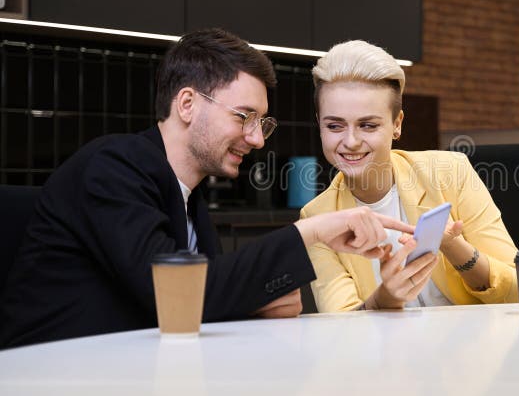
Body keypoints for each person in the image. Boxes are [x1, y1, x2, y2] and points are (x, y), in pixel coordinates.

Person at [0, 28, 412, 349]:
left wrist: (250, 304)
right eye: (244, 116)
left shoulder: (188, 200)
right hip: (44, 380)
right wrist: (310, 234)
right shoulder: (111, 168)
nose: (257, 139)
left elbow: (206, 297)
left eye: (262, 122)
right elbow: (172, 291)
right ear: (187, 104)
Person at [300, 40, 519, 312]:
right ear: (320, 125)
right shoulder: (316, 219)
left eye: (368, 125)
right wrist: (385, 299)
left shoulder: (450, 172)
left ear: (397, 124)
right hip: (385, 354)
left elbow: (518, 291)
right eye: (334, 125)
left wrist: (453, 247)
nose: (351, 141)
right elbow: (341, 328)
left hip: (473, 347)